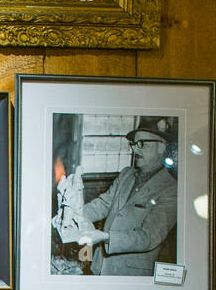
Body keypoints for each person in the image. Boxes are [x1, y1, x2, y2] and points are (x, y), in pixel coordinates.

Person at [75, 117, 179, 277]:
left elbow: (148, 236)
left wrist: (106, 237)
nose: (135, 150)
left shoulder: (172, 188)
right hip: (100, 266)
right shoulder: (127, 174)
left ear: (161, 147)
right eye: (133, 144)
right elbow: (103, 204)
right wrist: (74, 216)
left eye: (142, 144)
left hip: (129, 274)